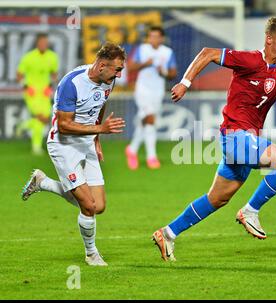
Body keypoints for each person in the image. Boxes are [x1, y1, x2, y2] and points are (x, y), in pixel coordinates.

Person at [152, 17, 276, 261]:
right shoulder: (249, 59)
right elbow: (207, 53)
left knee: (217, 199)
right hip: (235, 136)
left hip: (246, 138)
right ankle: (250, 211)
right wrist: (185, 83)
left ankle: (168, 233)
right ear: (269, 39)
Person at [20, 43, 126, 266]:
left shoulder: (109, 80)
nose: (120, 74)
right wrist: (100, 130)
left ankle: (43, 183)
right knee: (88, 206)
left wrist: (96, 140)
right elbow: (64, 126)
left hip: (87, 143)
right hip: (64, 146)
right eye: (117, 69)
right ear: (101, 65)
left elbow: (100, 105)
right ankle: (91, 254)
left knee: (99, 206)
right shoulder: (72, 84)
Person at [125, 26, 178, 170]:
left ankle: (132, 149)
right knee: (150, 119)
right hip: (143, 89)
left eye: (156, 36)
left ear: (161, 38)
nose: (153, 39)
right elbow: (129, 67)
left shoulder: (167, 52)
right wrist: (144, 64)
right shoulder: (142, 49)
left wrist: (164, 72)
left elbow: (173, 73)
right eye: (151, 36)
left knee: (146, 120)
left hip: (158, 91)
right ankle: (151, 157)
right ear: (148, 38)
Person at [16, 33, 59, 155]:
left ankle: (23, 125)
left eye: (45, 43)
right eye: (41, 42)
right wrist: (26, 86)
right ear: (37, 43)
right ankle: (36, 147)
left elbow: (54, 74)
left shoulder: (52, 57)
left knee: (44, 119)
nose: (43, 45)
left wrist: (50, 86)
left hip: (45, 93)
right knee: (40, 117)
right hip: (32, 92)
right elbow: (19, 75)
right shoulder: (29, 57)